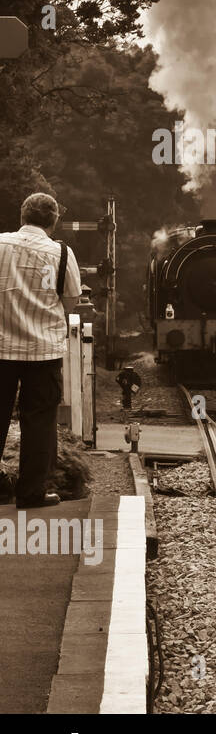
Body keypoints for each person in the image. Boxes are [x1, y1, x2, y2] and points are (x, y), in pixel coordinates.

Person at [0, 193, 81, 508]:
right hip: (43, 352)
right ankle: (31, 493)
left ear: (22, 215)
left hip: (1, 347)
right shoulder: (61, 253)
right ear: (54, 221)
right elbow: (70, 301)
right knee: (39, 422)